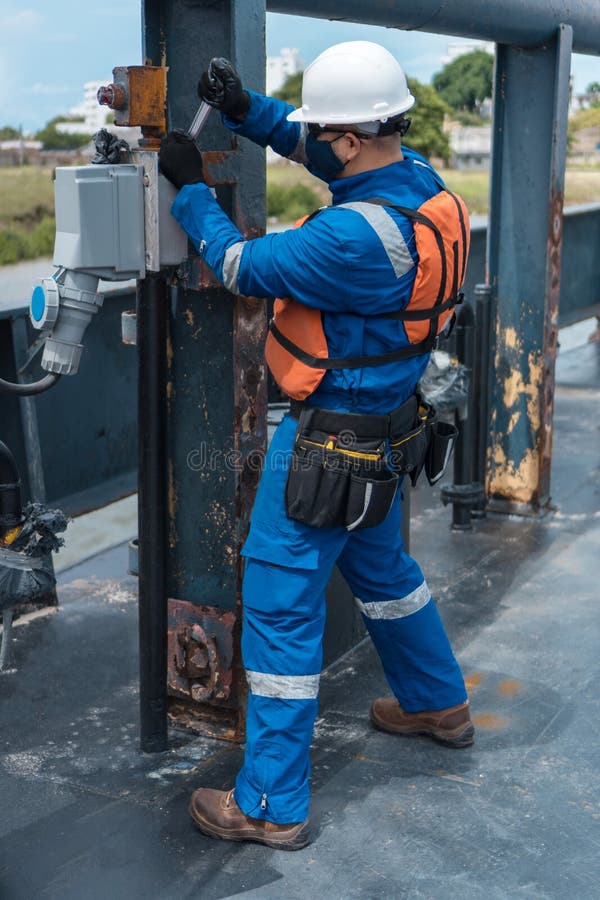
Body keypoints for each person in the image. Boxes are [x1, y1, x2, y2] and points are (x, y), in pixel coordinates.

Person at [159, 40, 473, 852]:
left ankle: (270, 803)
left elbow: (237, 262)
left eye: (326, 132)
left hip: (329, 443)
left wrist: (191, 191)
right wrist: (247, 112)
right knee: (385, 574)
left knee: (278, 607)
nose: (317, 144)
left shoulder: (346, 241)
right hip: (388, 430)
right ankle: (437, 702)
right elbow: (319, 150)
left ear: (353, 137)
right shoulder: (424, 187)